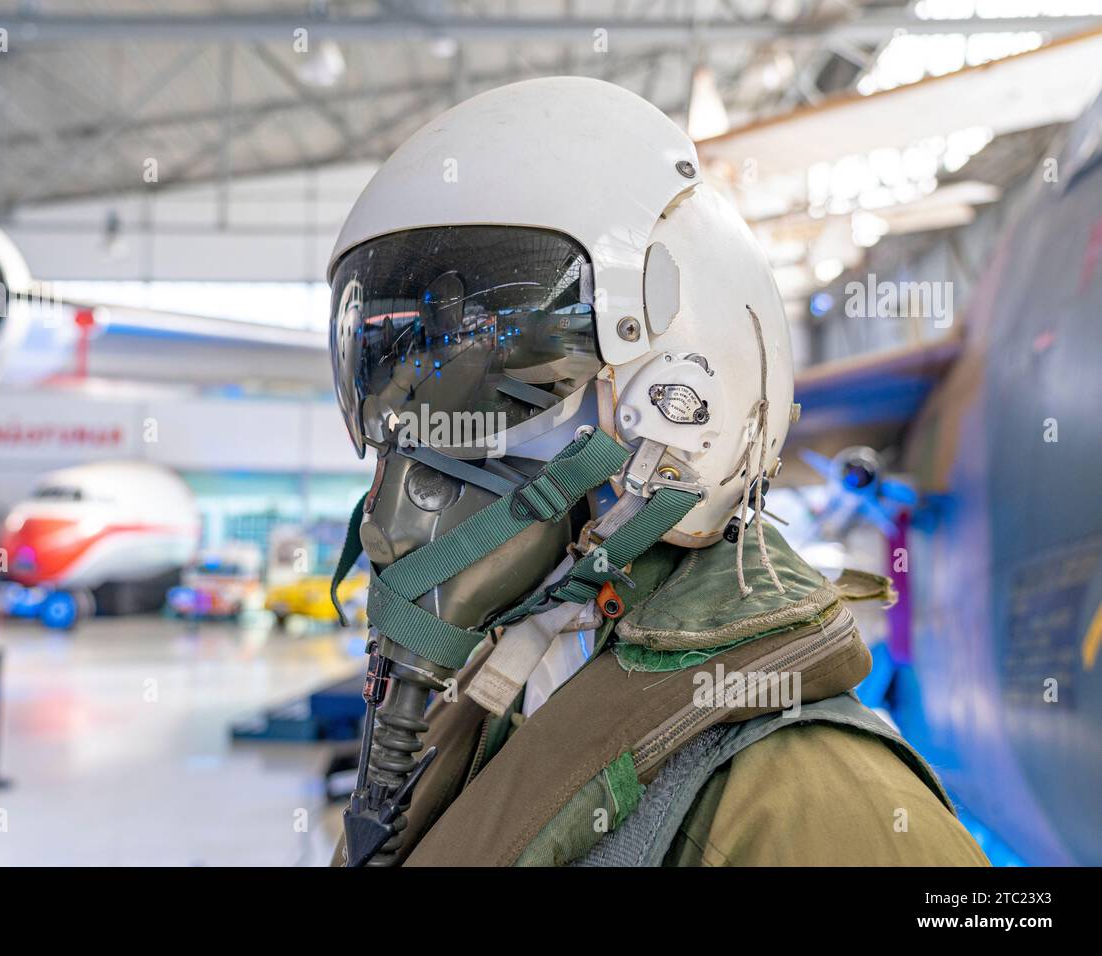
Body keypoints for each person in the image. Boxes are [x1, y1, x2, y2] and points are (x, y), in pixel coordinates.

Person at [326, 76, 988, 867]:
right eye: (410, 410)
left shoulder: (823, 812)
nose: (397, 500)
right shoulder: (520, 681)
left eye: (502, 399)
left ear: (679, 406)